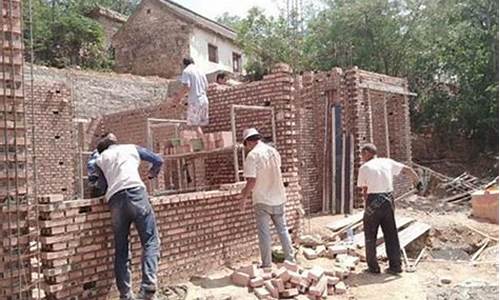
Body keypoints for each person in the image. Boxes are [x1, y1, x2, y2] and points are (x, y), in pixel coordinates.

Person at [90, 134, 163, 300]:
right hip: (137, 194)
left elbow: (102, 186)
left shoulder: (99, 160)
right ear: (114, 143)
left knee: (122, 249)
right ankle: (148, 286)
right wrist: (152, 174)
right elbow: (158, 160)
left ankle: (125, 295)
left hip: (115, 201)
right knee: (150, 241)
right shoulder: (131, 148)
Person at [357, 143, 419, 275]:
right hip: (388, 199)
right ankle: (395, 266)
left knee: (370, 233)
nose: (361, 157)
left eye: (362, 154)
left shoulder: (364, 168)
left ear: (367, 153)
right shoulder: (387, 162)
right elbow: (407, 169)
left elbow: (365, 190)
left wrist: (367, 208)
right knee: (391, 233)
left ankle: (373, 267)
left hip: (374, 200)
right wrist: (417, 181)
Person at [240, 128, 294, 268]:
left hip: (262, 199)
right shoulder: (273, 151)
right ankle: (290, 260)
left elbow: (251, 181)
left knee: (264, 234)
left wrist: (243, 196)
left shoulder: (252, 156)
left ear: (247, 143)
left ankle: (267, 264)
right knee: (283, 230)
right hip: (278, 197)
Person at [174, 57, 209, 142]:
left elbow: (187, 86)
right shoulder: (201, 71)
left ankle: (205, 144)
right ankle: (203, 142)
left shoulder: (187, 71)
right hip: (204, 100)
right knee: (199, 125)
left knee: (195, 125)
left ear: (184, 64)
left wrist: (178, 98)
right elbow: (206, 87)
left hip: (195, 101)